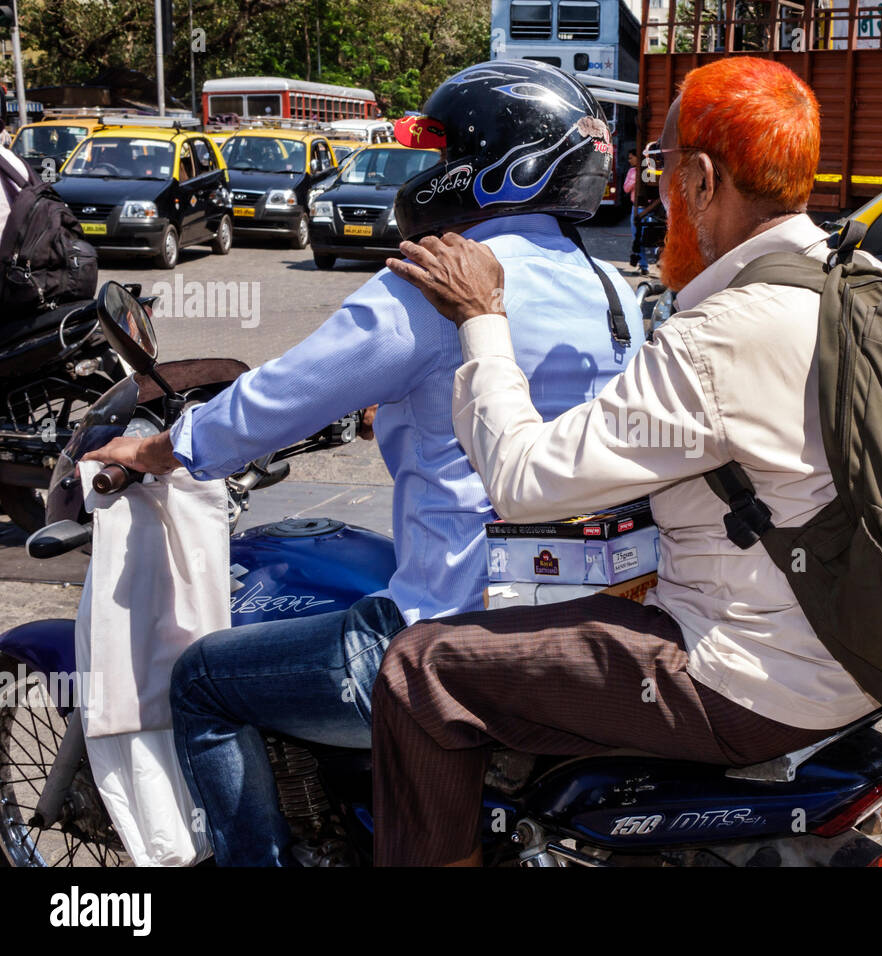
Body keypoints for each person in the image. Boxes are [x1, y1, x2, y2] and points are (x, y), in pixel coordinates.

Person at [81, 60, 644, 867]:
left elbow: (275, 400)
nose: (424, 170)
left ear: (497, 163)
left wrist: (159, 449)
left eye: (439, 149)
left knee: (203, 680)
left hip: (446, 624)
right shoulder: (616, 291)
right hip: (582, 616)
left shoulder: (433, 285)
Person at [373, 56, 882, 866]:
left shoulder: (723, 334)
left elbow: (524, 481)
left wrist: (481, 317)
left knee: (421, 669)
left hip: (749, 677)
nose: (658, 190)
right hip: (858, 658)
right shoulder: (861, 282)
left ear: (706, 181)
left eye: (665, 168)